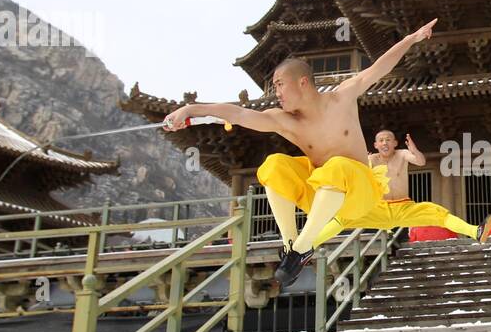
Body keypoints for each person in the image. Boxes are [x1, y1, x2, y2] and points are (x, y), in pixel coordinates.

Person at [164, 19, 438, 286]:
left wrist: (412, 38)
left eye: (280, 83)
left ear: (303, 82)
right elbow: (238, 113)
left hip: (358, 192)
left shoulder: (342, 97)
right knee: (274, 165)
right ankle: (293, 245)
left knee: (337, 167)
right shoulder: (284, 120)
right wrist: (192, 110)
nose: (276, 92)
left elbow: (381, 67)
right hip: (322, 195)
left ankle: (303, 247)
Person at [314, 129, 491, 243]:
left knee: (439, 213)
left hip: (403, 207)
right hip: (378, 209)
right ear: (376, 145)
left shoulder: (402, 155)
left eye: (388, 140)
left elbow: (421, 162)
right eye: (381, 140)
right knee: (344, 217)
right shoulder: (370, 159)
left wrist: (414, 150)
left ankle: (474, 231)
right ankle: (308, 245)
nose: (385, 143)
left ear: (394, 143)